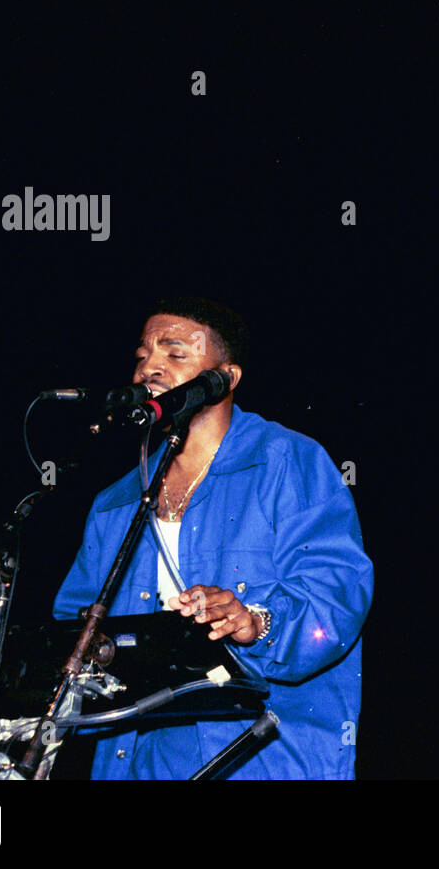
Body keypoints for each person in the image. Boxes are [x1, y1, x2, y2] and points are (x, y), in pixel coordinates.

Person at [53, 297, 373, 779]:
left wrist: (257, 622)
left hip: (261, 756)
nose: (149, 367)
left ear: (227, 376)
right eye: (142, 355)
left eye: (174, 353)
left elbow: (337, 594)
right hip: (139, 760)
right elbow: (73, 629)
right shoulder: (114, 503)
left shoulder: (289, 462)